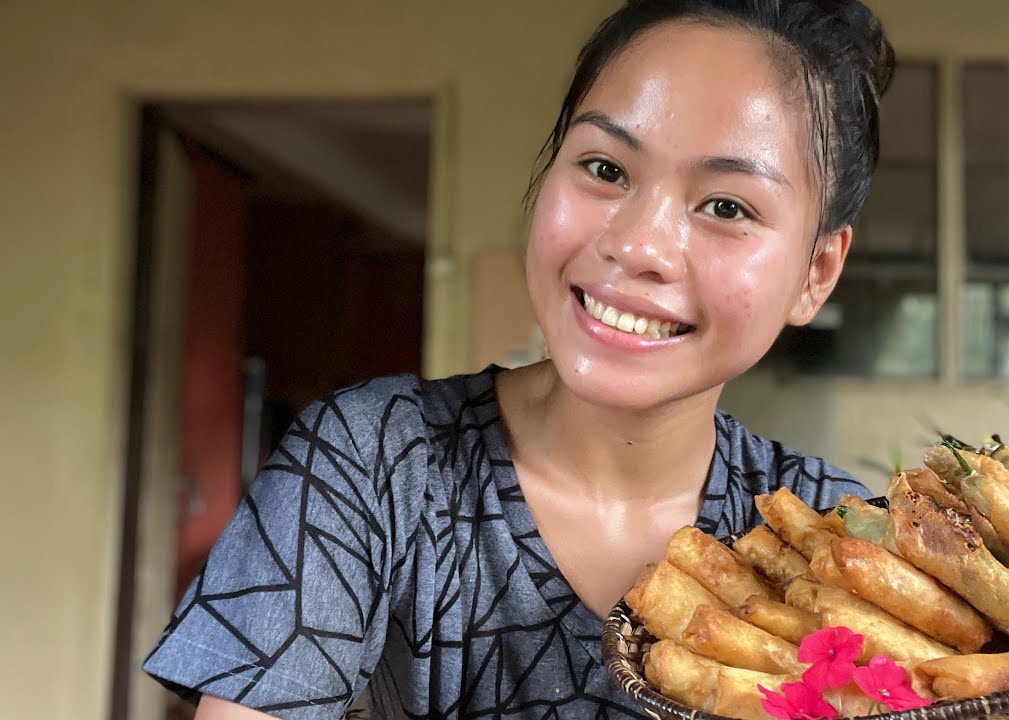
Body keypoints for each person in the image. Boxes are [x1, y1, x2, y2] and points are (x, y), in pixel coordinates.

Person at [142, 0, 895, 717]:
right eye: (606, 169)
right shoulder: (379, 459)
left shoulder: (835, 540)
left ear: (816, 272)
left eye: (726, 206)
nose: (637, 245)